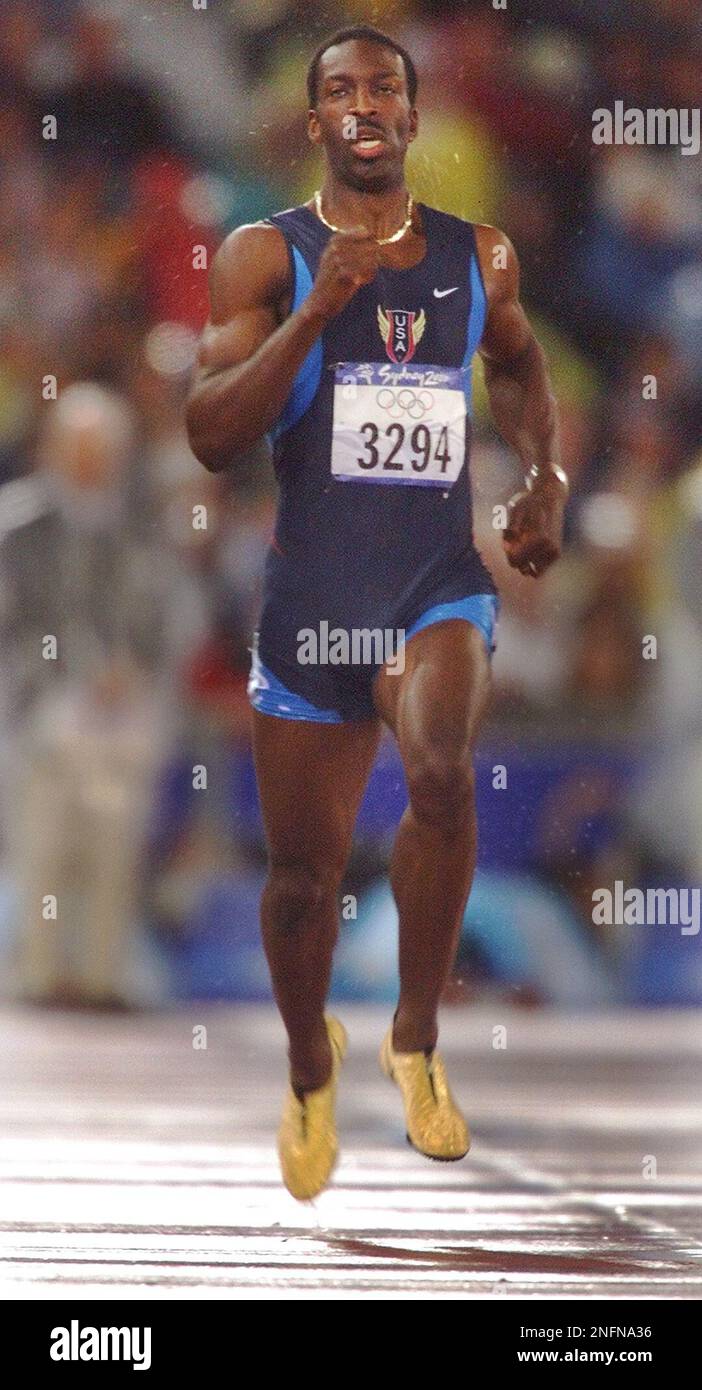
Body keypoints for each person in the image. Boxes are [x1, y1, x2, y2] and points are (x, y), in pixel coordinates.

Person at [186, 25, 568, 1200]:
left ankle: (415, 1038)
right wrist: (314, 317)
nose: (364, 105)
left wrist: (542, 472)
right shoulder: (265, 255)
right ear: (316, 125)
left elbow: (516, 364)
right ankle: (312, 1057)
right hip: (310, 601)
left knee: (442, 772)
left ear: (410, 119)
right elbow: (209, 434)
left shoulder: (479, 255)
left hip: (430, 586)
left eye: (384, 89)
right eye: (340, 91)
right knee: (302, 880)